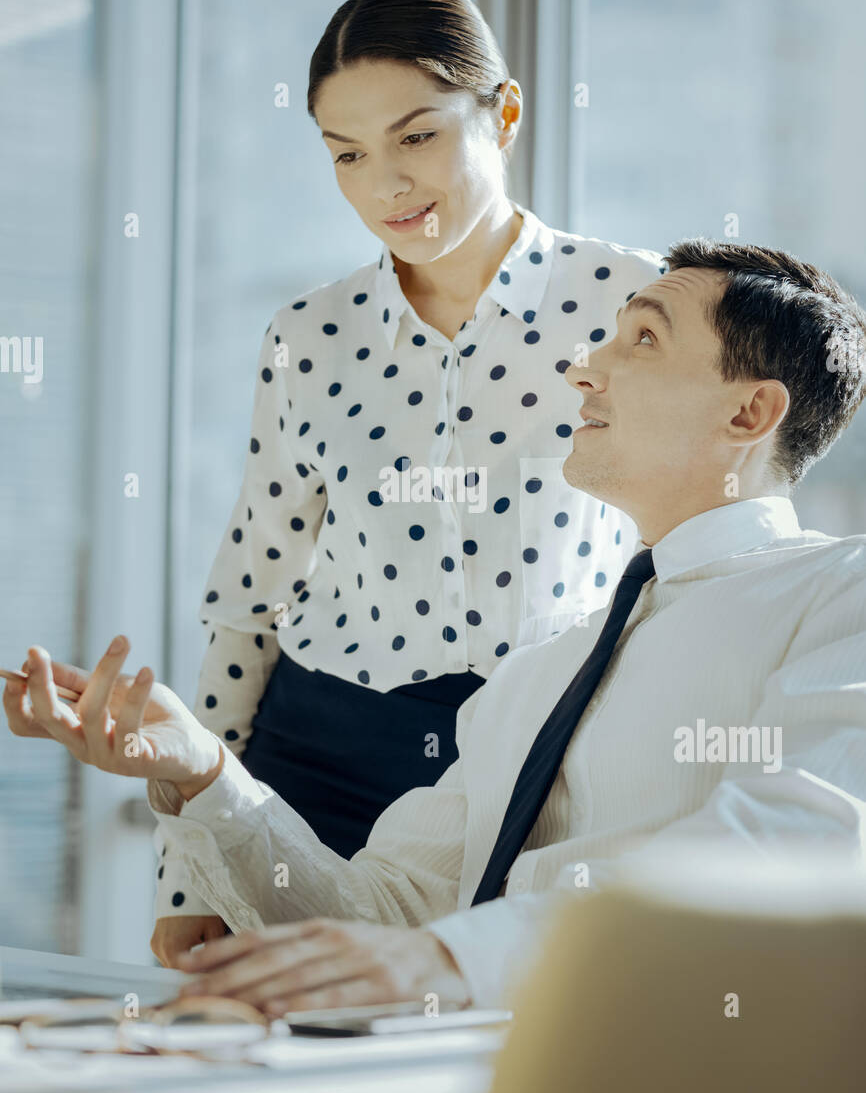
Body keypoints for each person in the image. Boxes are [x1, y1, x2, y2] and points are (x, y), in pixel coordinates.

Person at [7, 240, 866, 1012]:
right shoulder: (532, 680)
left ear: (749, 415)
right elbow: (378, 919)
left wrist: (455, 959)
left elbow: (796, 848)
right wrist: (205, 775)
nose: (584, 368)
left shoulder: (840, 594)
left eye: (642, 338)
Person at [152, 0, 662, 965]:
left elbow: (687, 536)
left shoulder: (632, 298)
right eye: (346, 153)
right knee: (291, 1081)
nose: (384, 184)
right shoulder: (308, 332)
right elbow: (248, 598)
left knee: (501, 1067)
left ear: (502, 113)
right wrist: (188, 866)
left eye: (416, 135)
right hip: (318, 760)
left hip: (541, 760)